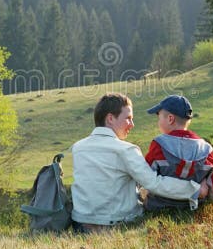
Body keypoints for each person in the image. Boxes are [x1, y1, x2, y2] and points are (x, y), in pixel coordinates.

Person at [70, 93, 202, 233]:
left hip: (80, 225)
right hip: (116, 226)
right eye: (128, 119)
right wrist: (195, 190)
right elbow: (154, 184)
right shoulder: (126, 150)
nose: (132, 125)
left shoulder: (78, 148)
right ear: (110, 119)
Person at [143, 95, 213, 210]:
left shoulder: (158, 145)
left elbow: (146, 175)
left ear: (170, 119)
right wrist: (212, 203)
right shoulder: (205, 149)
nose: (158, 121)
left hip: (158, 206)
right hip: (194, 207)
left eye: (159, 117)